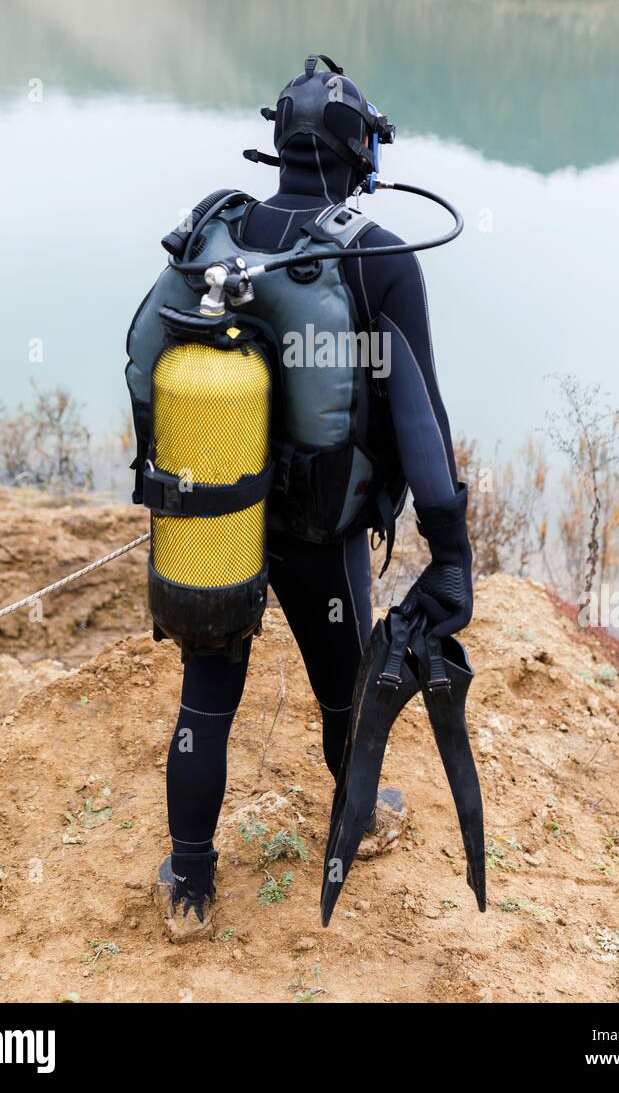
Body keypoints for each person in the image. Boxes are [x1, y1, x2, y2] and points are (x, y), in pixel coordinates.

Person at [126, 55, 473, 941]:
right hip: (324, 530)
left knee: (207, 698)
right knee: (345, 689)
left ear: (277, 144)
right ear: (362, 152)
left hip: (217, 516)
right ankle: (360, 820)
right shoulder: (375, 258)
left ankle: (189, 886)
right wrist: (452, 551)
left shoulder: (215, 235)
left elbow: (145, 364)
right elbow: (420, 419)